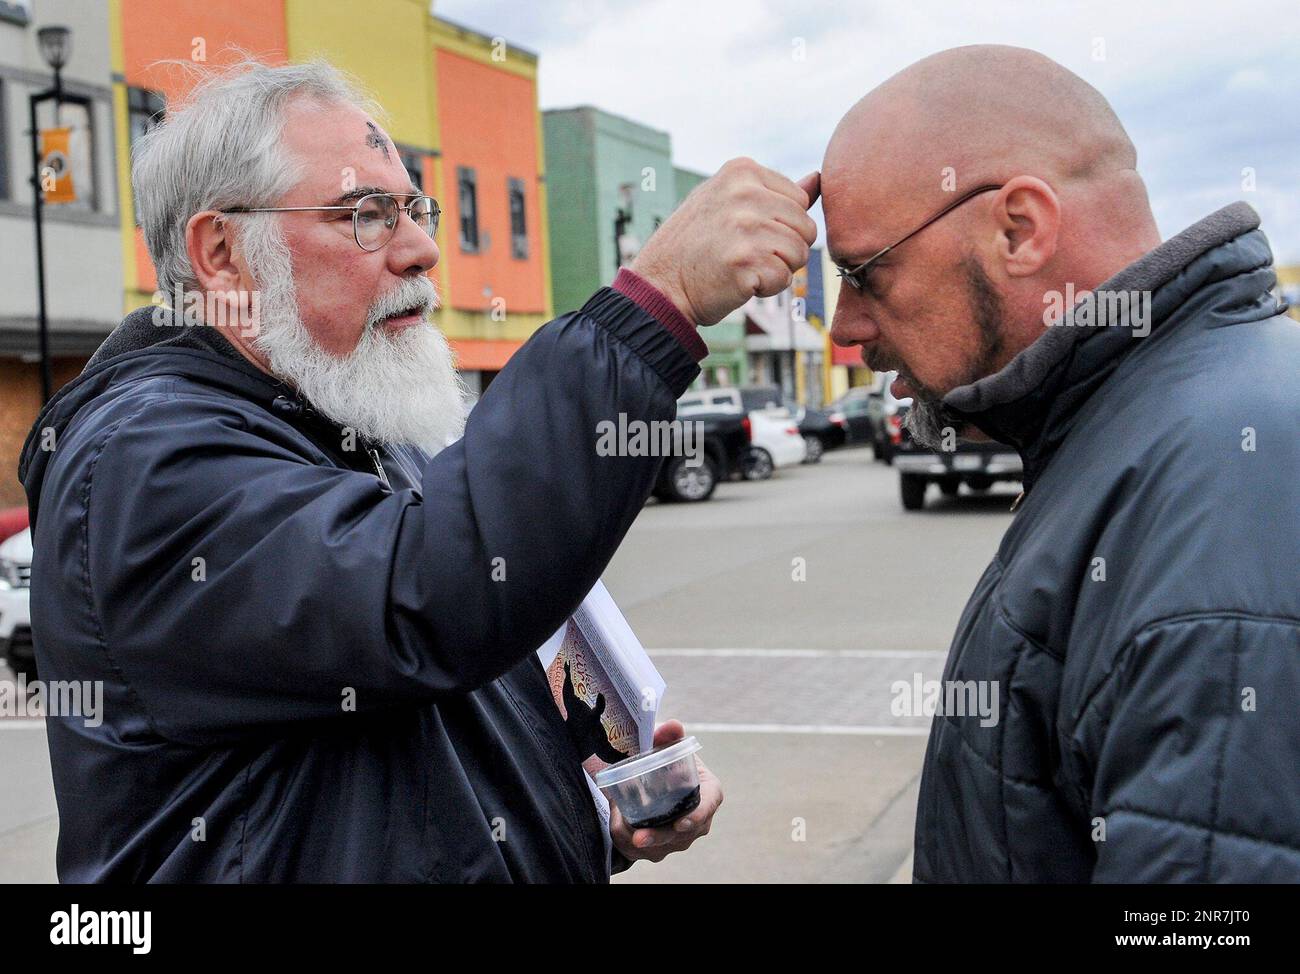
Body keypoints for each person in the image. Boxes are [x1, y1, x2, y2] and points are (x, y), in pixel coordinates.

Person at [18, 59, 819, 882]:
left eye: (415, 208)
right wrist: (660, 302)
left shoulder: (358, 423)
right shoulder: (143, 459)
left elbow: (430, 734)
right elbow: (432, 594)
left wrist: (587, 811)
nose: (423, 249)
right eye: (365, 215)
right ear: (222, 254)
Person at [822, 45, 1299, 882]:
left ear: (1020, 229)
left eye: (865, 273)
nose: (844, 328)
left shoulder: (1225, 481)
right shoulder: (1153, 425)